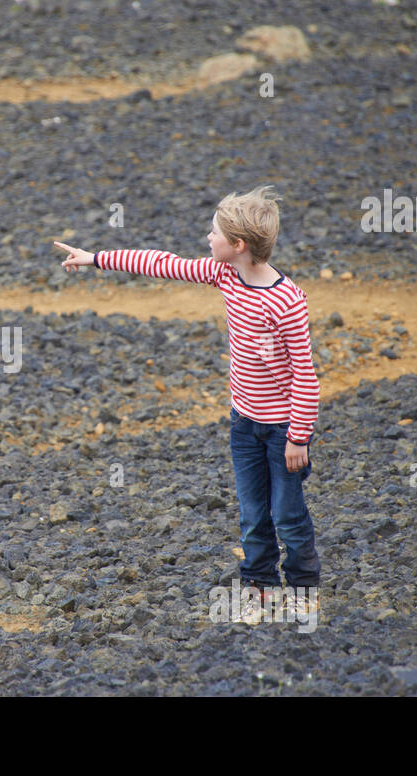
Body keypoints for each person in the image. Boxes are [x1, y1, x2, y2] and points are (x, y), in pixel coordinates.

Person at [54, 185, 321, 623]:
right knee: (253, 515)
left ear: (238, 245)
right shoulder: (225, 275)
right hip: (244, 424)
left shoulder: (286, 299)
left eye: (213, 233)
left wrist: (298, 438)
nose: (206, 238)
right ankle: (261, 592)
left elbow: (305, 377)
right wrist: (96, 257)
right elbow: (163, 264)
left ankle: (304, 593)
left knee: (287, 515)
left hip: (282, 432)